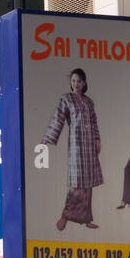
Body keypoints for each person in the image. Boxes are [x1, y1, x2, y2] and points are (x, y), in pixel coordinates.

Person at [41, 68, 103, 231]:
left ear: (84, 83)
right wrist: (48, 138)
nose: (76, 84)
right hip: (77, 144)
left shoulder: (89, 102)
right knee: (76, 183)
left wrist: (97, 139)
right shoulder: (66, 99)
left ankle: (87, 218)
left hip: (89, 145)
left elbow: (94, 122)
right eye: (74, 80)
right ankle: (65, 216)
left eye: (79, 81)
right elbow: (58, 118)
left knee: (88, 183)